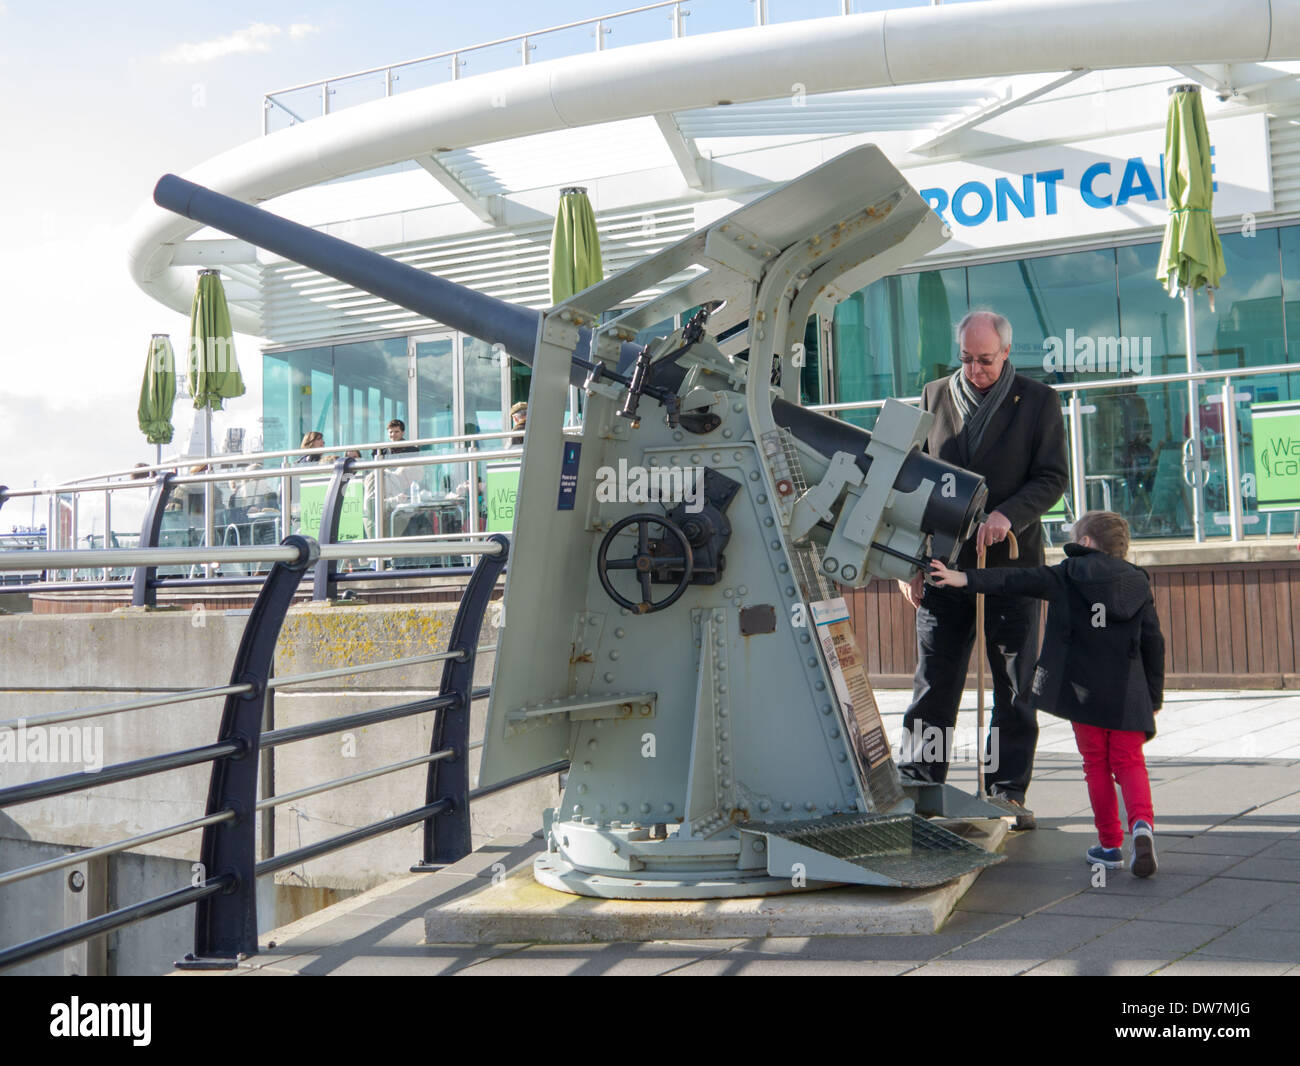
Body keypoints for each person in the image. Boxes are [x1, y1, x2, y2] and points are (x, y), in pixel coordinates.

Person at [896, 310, 1069, 827]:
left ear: (1007, 353)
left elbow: (1053, 477)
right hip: (942, 568)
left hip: (1012, 568)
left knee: (1015, 685)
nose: (974, 370)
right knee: (934, 683)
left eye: (986, 361)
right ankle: (921, 785)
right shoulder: (932, 396)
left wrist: (1006, 514)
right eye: (967, 359)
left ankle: (1006, 792)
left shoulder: (1039, 401)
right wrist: (908, 563)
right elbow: (908, 483)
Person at [928, 511, 1165, 877]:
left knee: (1096, 766)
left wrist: (964, 578)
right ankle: (1142, 828)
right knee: (1129, 762)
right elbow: (1154, 642)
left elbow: (1014, 579)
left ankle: (1110, 845)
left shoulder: (1068, 575)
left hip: (1083, 694)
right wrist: (1153, 695)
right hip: (1128, 694)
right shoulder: (1137, 582)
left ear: (1084, 543)